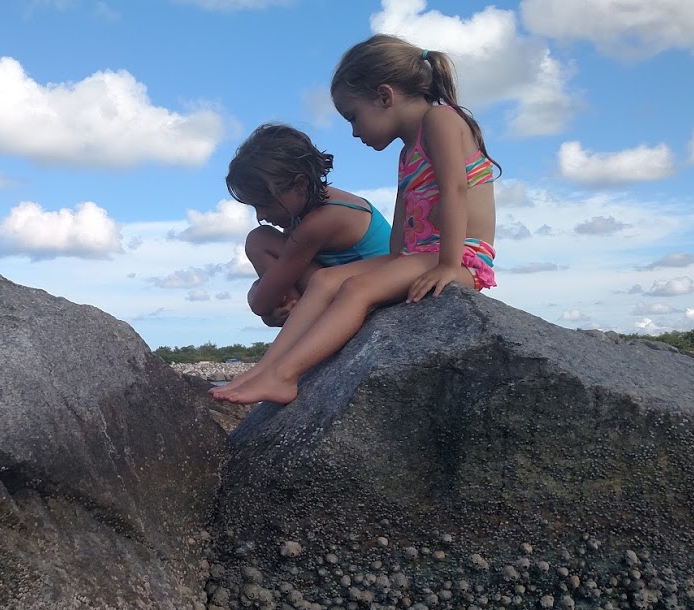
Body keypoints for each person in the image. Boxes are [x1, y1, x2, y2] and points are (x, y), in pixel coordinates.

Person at [213, 34, 499, 405]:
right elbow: (405, 215)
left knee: (355, 289)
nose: (353, 130)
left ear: (384, 96)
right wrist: (396, 258)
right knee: (328, 279)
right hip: (421, 254)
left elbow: (454, 190)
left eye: (353, 116)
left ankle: (286, 376)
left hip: (462, 256)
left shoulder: (441, 120)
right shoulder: (407, 151)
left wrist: (447, 265)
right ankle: (266, 367)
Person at [226, 123, 391, 328]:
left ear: (300, 184)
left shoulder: (322, 220)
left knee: (258, 240)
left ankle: (298, 319)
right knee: (262, 241)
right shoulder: (302, 211)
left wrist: (254, 296)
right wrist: (273, 311)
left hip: (375, 295)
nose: (261, 215)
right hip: (343, 290)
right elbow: (271, 296)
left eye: (265, 204)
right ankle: (292, 311)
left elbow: (260, 304)